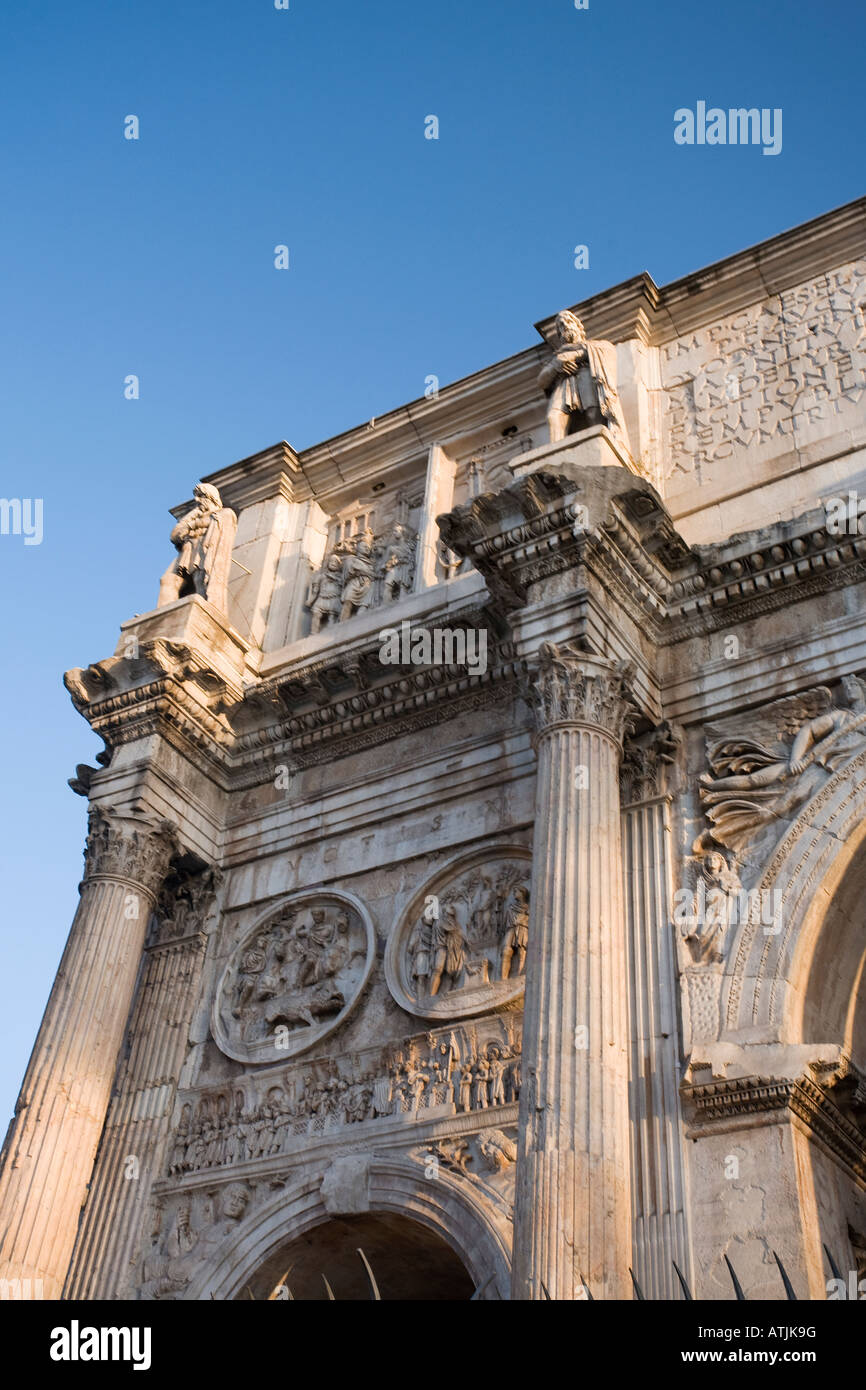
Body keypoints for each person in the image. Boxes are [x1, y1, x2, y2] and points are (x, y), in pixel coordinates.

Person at [158, 481, 237, 614]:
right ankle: (161, 615)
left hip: (205, 550)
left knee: (201, 583)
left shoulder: (225, 513)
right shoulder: (196, 514)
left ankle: (204, 616)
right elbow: (174, 535)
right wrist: (193, 514)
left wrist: (194, 524)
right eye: (196, 496)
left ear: (210, 497)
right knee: (167, 580)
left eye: (200, 496)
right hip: (187, 551)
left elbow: (221, 527)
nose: (197, 500)